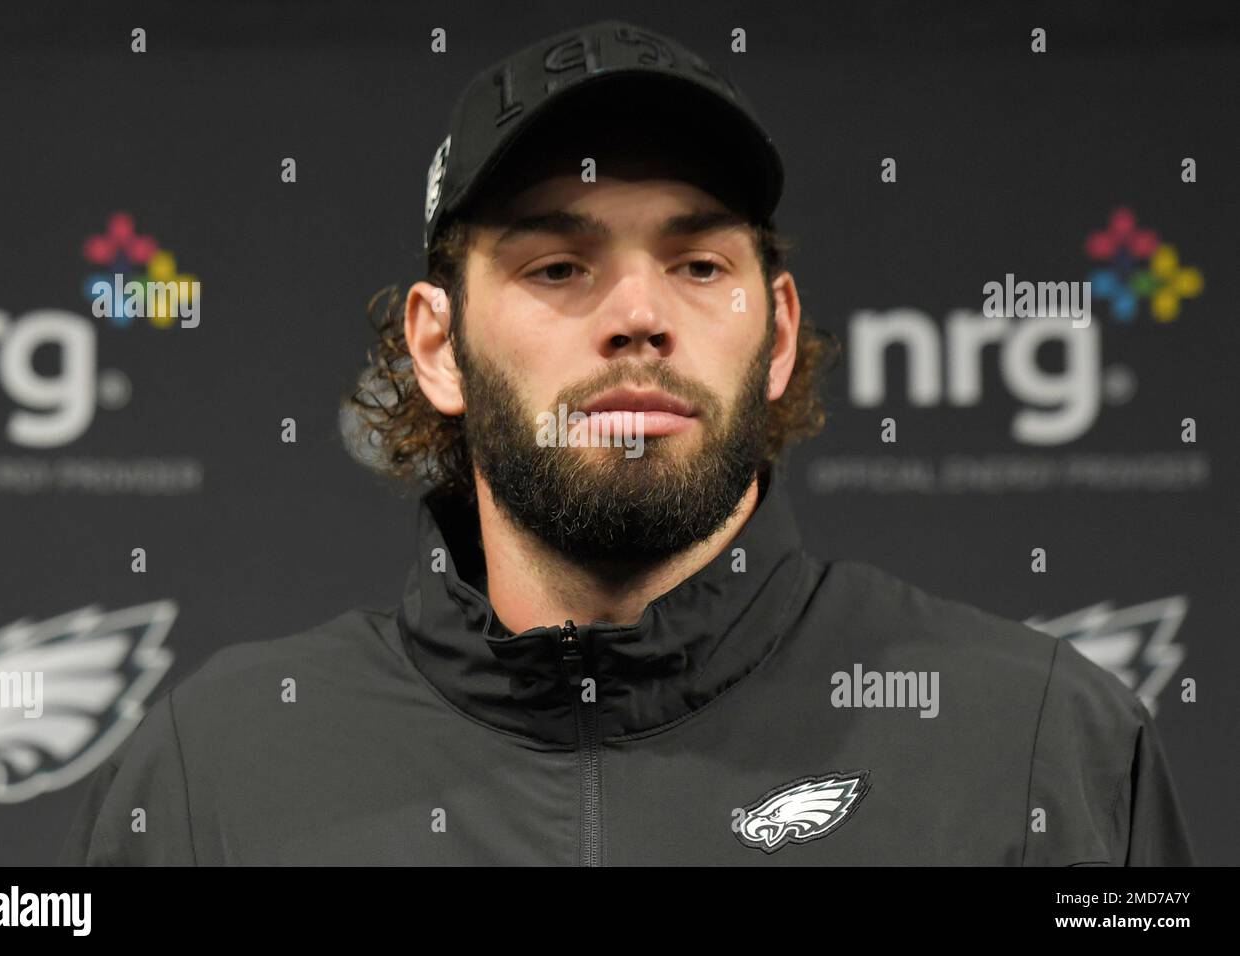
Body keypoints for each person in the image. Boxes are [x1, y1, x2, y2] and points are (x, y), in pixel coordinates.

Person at [59, 19, 1194, 866]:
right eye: (559, 266)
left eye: (699, 264)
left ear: (780, 330)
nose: (639, 313)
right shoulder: (213, 769)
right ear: (439, 345)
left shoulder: (1039, 739)